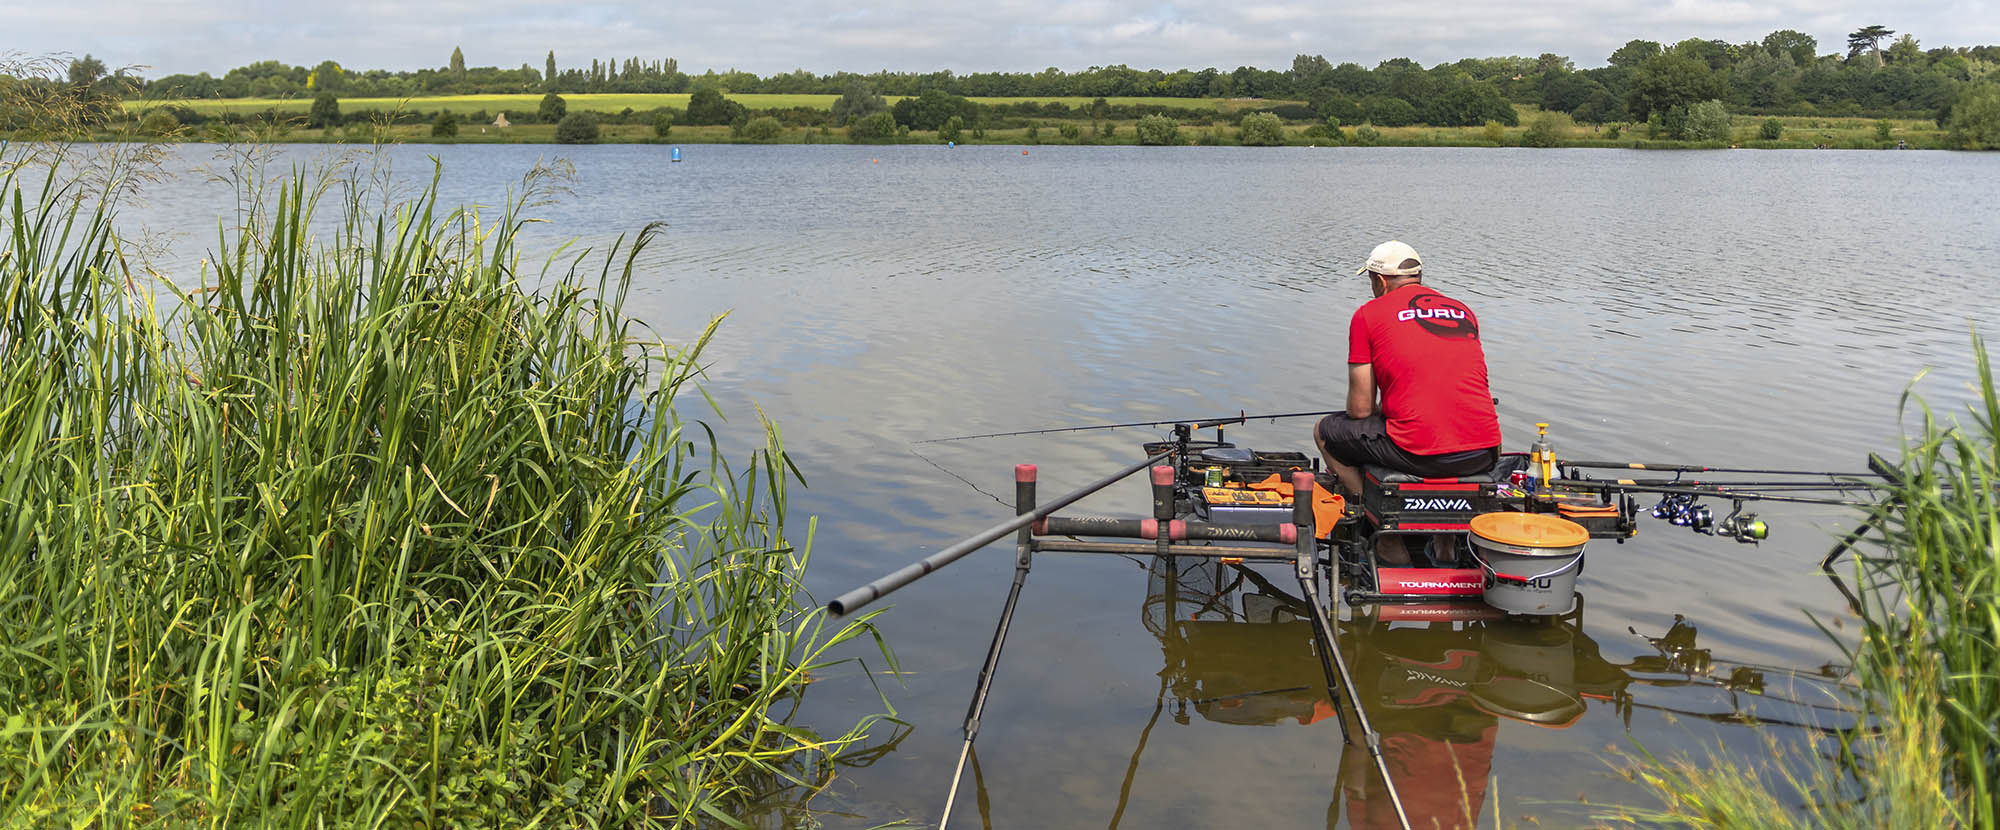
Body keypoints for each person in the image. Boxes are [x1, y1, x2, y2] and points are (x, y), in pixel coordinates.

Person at [1314, 241, 1500, 561]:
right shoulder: (1463, 310)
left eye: (1371, 281)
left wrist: (1381, 409)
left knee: (1324, 431)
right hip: (1483, 453)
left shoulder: (1368, 315)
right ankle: (1445, 546)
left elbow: (1359, 410)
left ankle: (1385, 532)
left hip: (1419, 452)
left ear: (1380, 280)